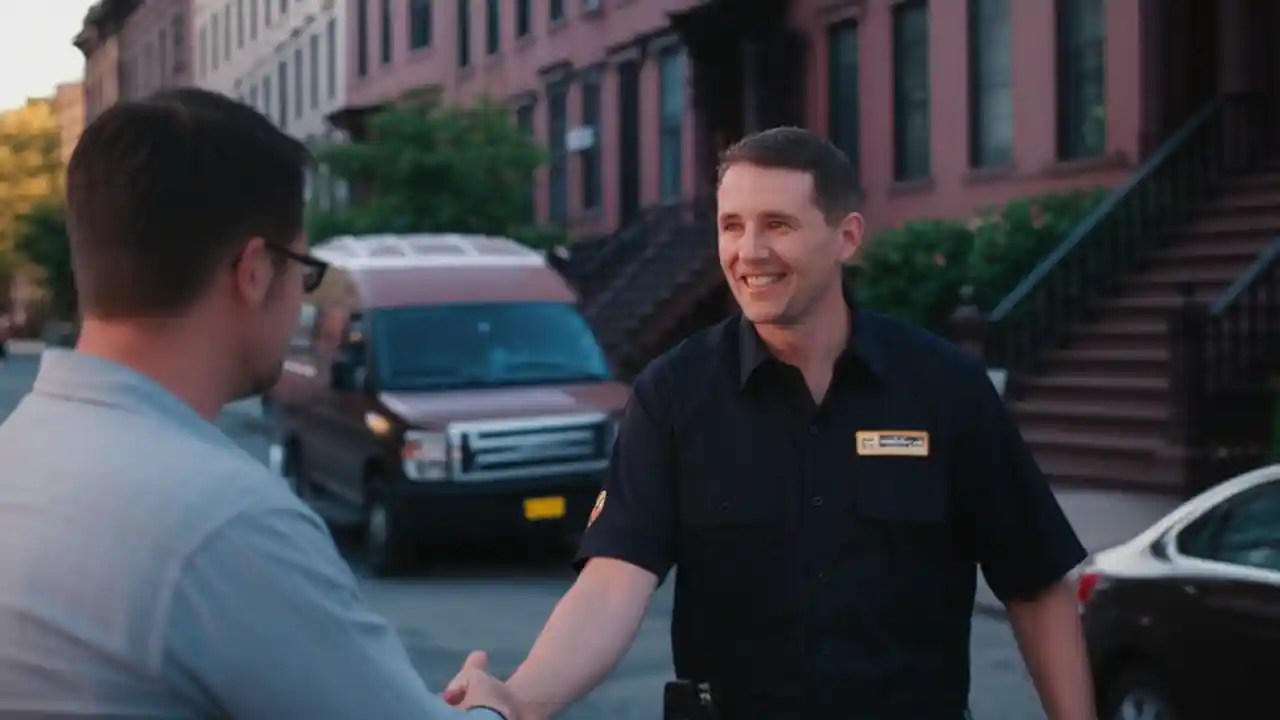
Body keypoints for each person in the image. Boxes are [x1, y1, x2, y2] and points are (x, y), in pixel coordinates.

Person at [443, 127, 1095, 719]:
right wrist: (522, 697)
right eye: (732, 225)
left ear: (846, 236)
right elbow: (613, 583)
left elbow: (1035, 584)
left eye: (777, 225)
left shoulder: (945, 388)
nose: (749, 252)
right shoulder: (674, 393)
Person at [0, 88, 527, 720]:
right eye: (303, 272)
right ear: (254, 270)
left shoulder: (20, 454)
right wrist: (493, 708)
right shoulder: (225, 520)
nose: (303, 303)